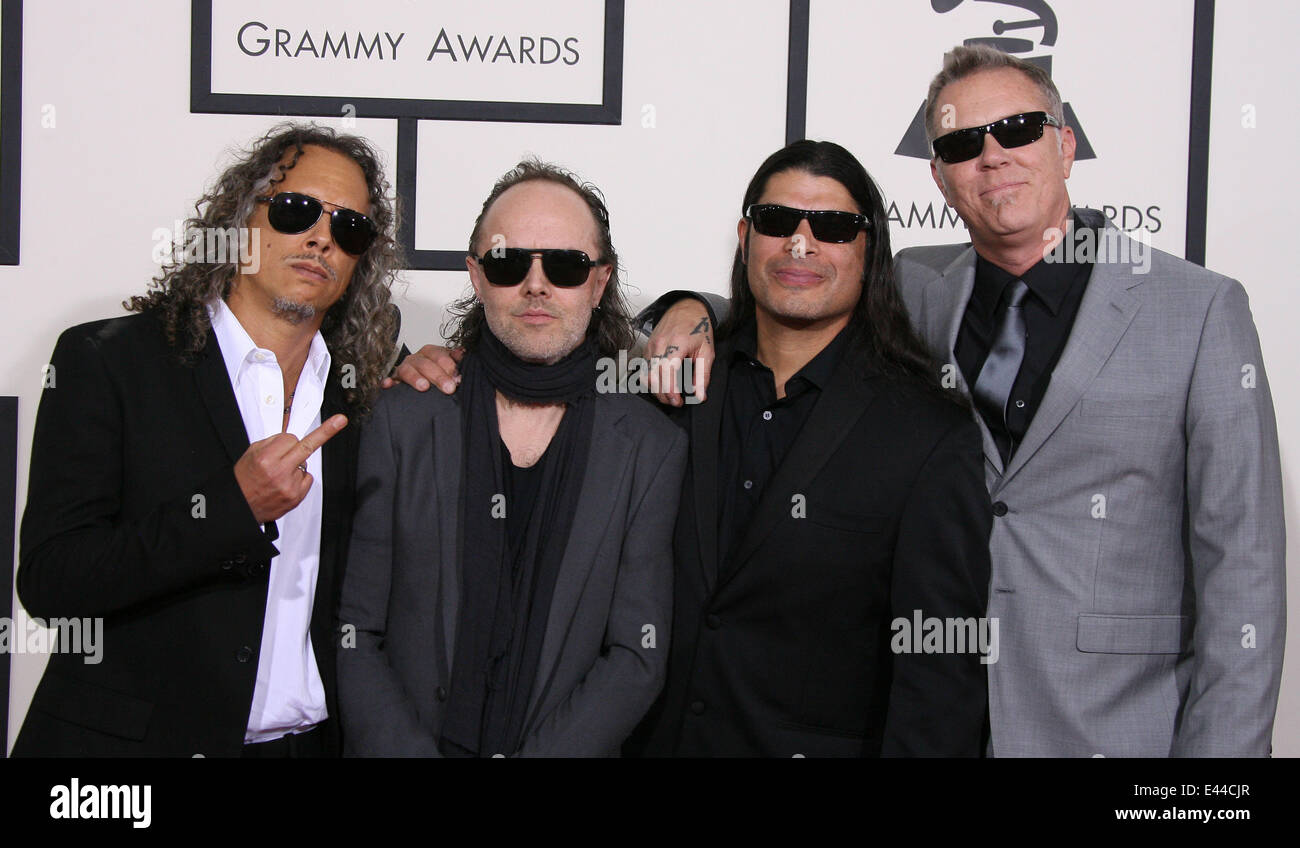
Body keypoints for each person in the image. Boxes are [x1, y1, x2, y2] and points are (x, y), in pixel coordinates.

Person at [640, 45, 1287, 757]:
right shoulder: (918, 286)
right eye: (960, 142)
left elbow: (1243, 576)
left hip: (1111, 730)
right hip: (932, 717)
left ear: (1066, 145)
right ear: (941, 178)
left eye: (1017, 129)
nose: (993, 155)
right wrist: (687, 309)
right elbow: (795, 296)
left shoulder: (1198, 311)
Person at [395, 143, 993, 757]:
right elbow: (531, 372)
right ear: (745, 235)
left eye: (834, 228)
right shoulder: (659, 392)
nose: (799, 245)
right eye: (777, 221)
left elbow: (940, 683)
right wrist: (440, 369)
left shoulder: (926, 434)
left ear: (870, 251)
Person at [13, 123, 402, 757]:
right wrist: (230, 508)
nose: (321, 237)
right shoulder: (110, 360)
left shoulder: (365, 394)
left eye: (349, 227)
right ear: (237, 216)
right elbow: (54, 585)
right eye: (296, 209)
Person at [336, 160, 685, 757]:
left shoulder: (650, 445)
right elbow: (355, 632)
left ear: (600, 283)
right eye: (508, 262)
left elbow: (636, 655)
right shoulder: (403, 417)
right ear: (476, 276)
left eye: (567, 265)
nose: (536, 285)